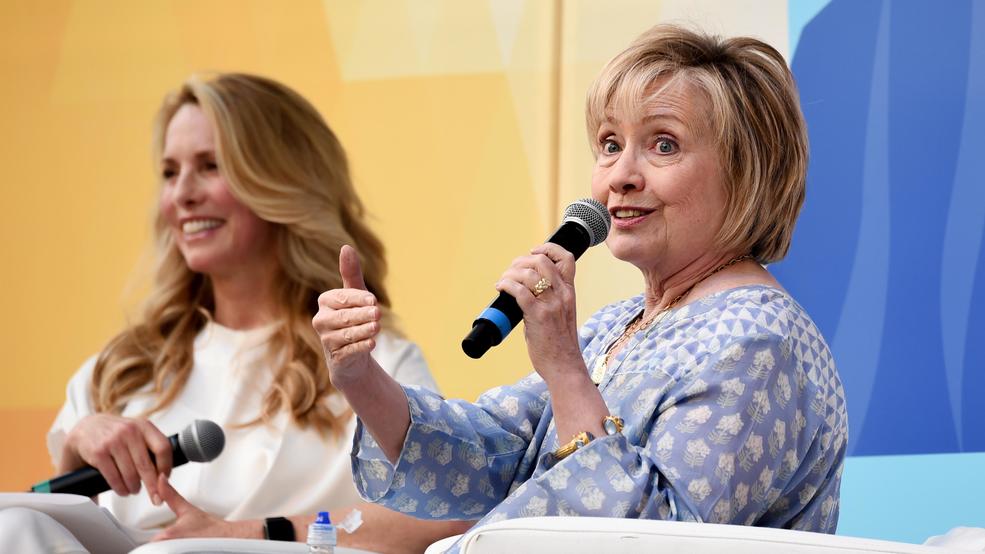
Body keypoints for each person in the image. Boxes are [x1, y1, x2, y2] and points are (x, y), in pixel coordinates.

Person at [314, 24, 847, 552]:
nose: (620, 175)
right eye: (610, 144)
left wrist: (565, 366)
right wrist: (360, 375)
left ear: (747, 170)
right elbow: (483, 459)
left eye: (663, 145)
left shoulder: (759, 341)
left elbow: (650, 539)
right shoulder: (618, 324)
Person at [44, 73, 470, 552]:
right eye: (169, 172)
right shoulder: (118, 371)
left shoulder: (372, 363)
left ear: (280, 181)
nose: (182, 194)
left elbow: (443, 515)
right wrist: (75, 453)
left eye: (211, 166)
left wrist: (250, 533)